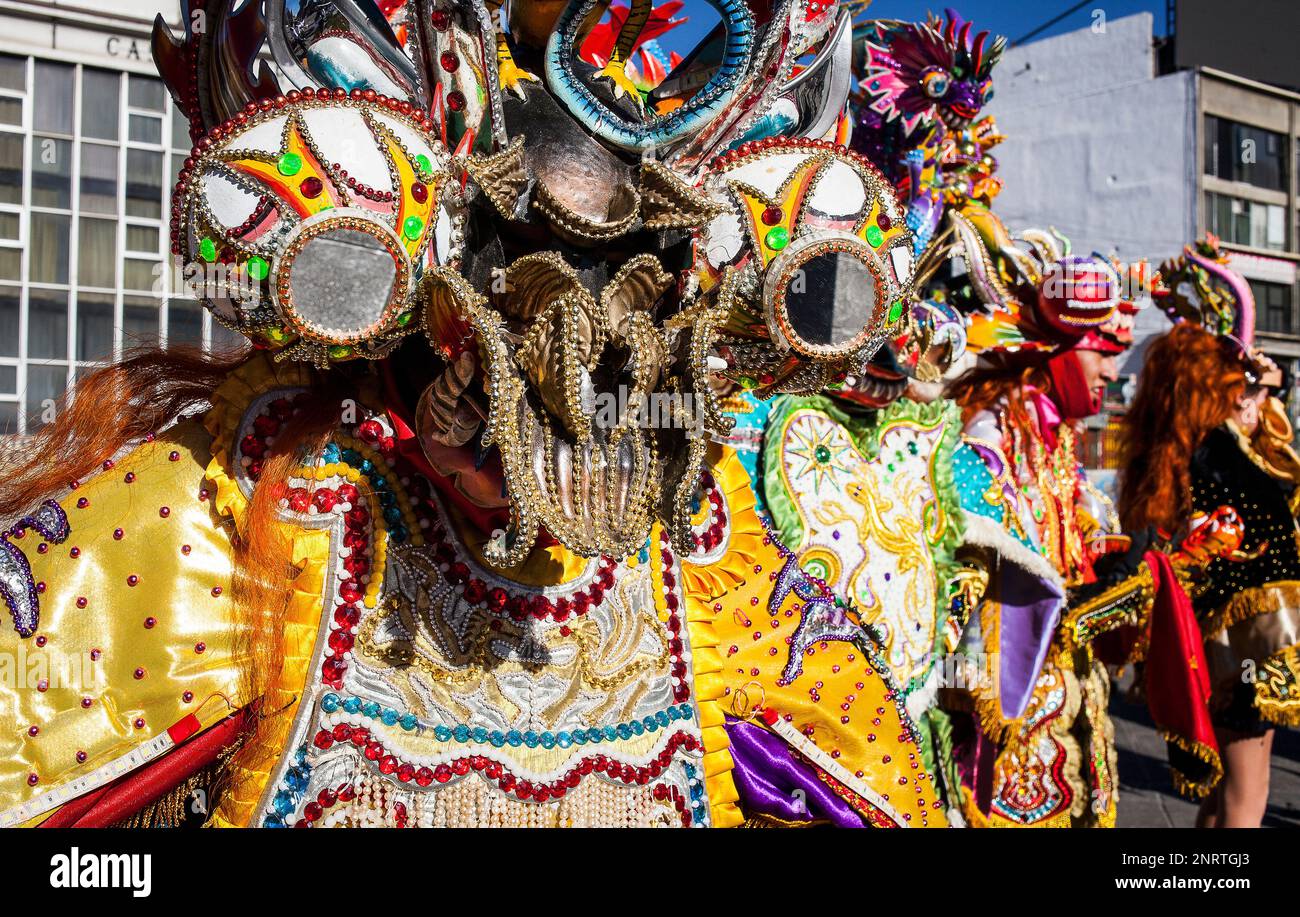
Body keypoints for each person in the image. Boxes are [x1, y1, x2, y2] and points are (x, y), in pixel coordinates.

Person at [0, 0, 945, 828]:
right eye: (520, 314)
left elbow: (863, 772)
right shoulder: (251, 506)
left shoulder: (700, 553)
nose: (568, 394)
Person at [1119, 239, 1299, 827]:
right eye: (1237, 383)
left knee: (1225, 798)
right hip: (1249, 643)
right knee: (1248, 794)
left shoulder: (1184, 452)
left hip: (1217, 643)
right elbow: (1281, 476)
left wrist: (1261, 383)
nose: (1251, 394)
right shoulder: (1220, 454)